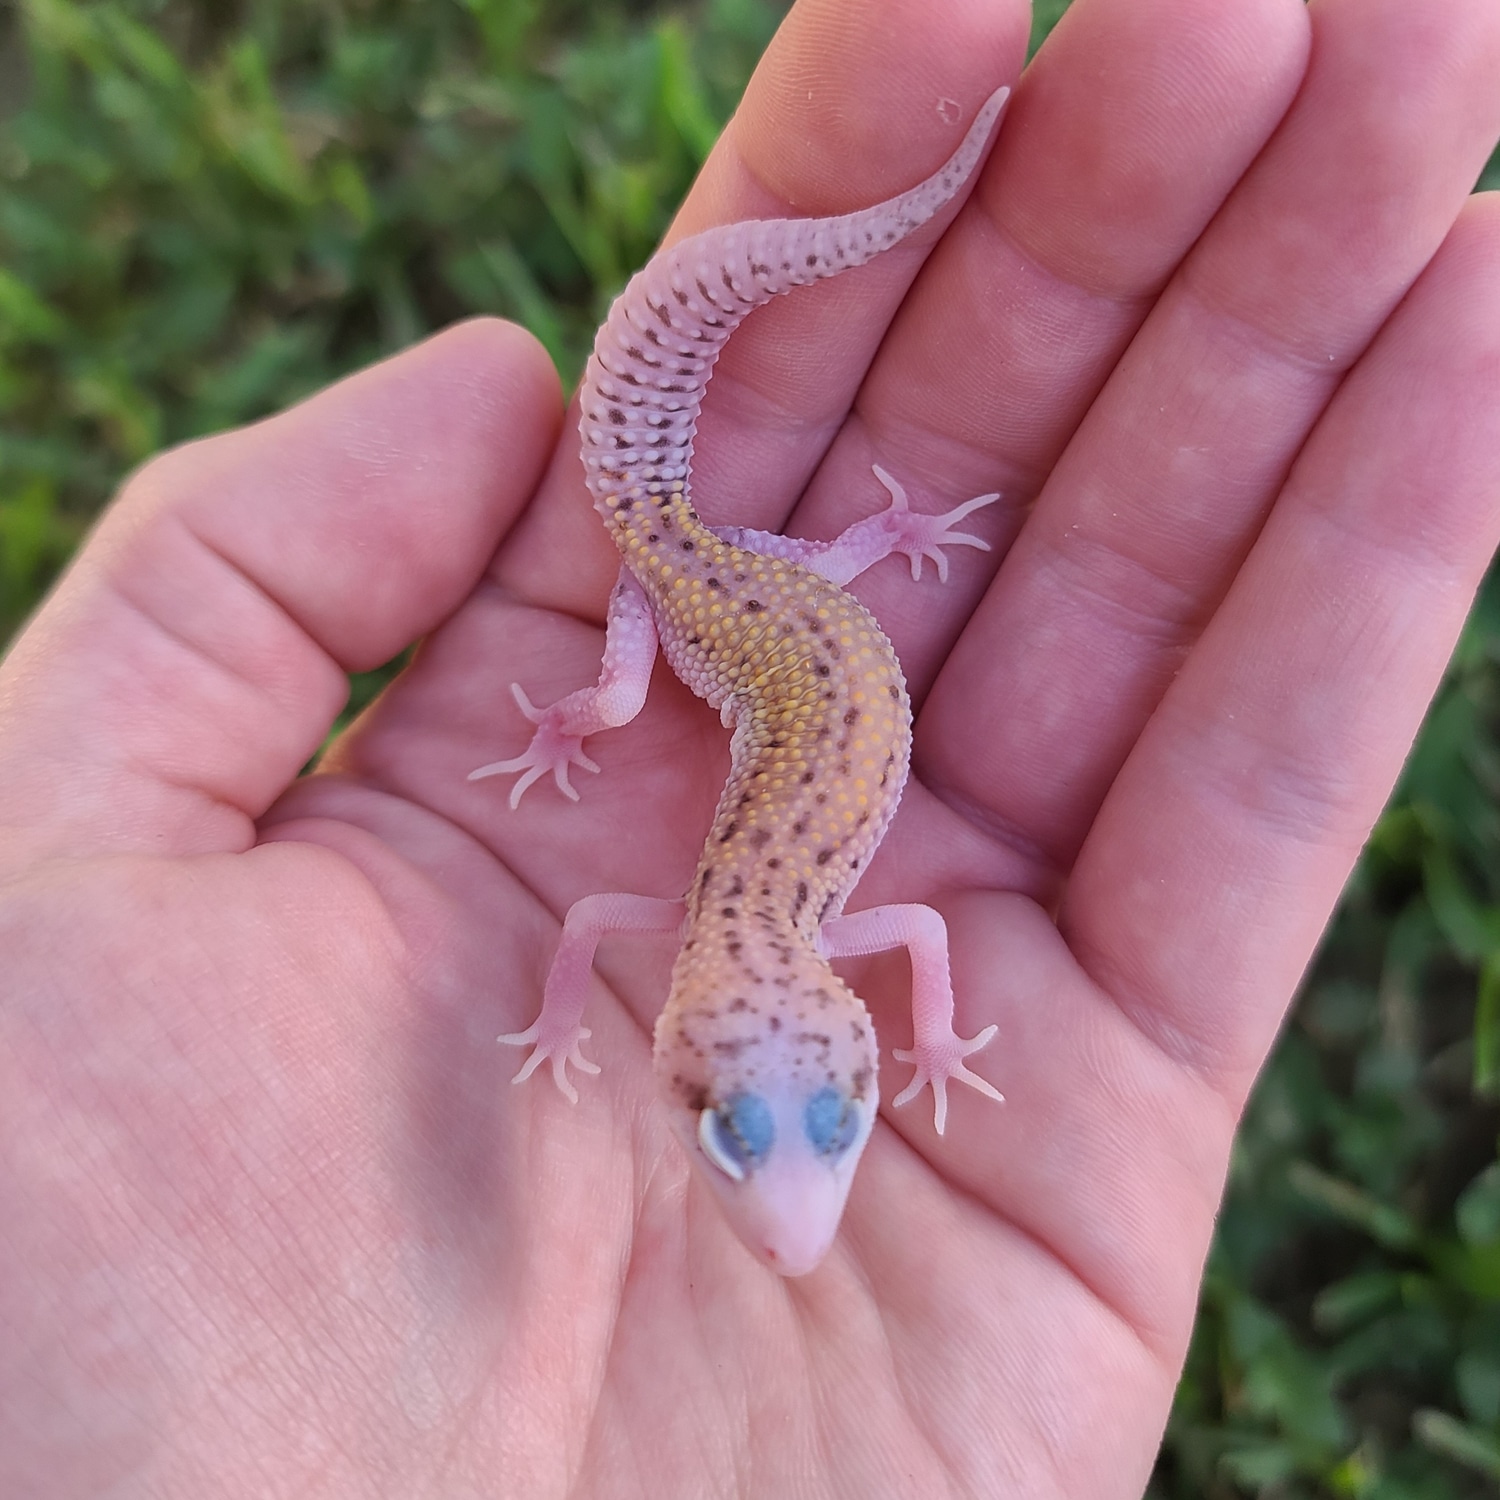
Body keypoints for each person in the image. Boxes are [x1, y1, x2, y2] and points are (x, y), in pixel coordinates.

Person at [2, 0, 1497, 1493]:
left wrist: (925, 1032)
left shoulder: (816, 931)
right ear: (821, 1031)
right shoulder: (719, 925)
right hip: (757, 591)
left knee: (617, 699)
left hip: (730, 591)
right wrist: (866, 1020)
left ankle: (806, 493)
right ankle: (852, 440)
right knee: (637, 669)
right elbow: (650, 926)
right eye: (836, 1121)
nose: (799, 1193)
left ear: (697, 1044)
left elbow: (858, 935)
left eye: (750, 1131)